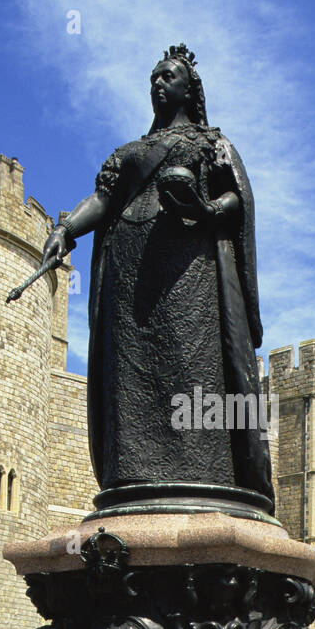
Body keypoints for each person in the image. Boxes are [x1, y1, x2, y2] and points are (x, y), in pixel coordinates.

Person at [39, 44, 272, 512]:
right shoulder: (129, 152)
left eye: (167, 77)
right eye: (153, 79)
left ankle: (203, 475)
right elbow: (102, 200)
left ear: (190, 88)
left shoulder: (211, 143)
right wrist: (65, 229)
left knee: (191, 366)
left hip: (191, 273)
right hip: (129, 275)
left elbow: (236, 202)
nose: (158, 84)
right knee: (133, 378)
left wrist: (205, 209)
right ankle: (134, 476)